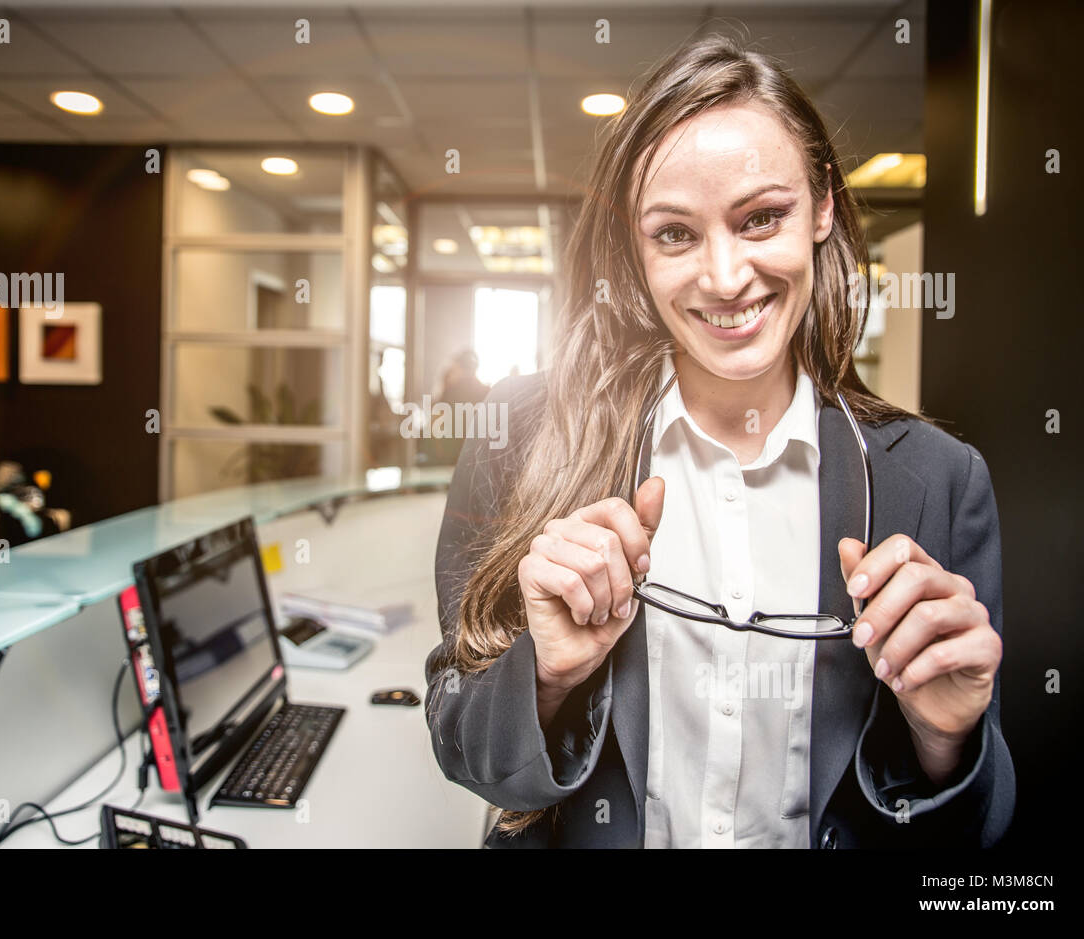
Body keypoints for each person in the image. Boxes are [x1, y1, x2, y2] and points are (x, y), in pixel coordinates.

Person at [424, 35, 1013, 849]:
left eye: (761, 217)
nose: (725, 276)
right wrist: (550, 673)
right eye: (675, 234)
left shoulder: (941, 482)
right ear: (636, 249)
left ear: (822, 210)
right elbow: (464, 748)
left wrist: (947, 742)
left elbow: (974, 844)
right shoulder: (522, 439)